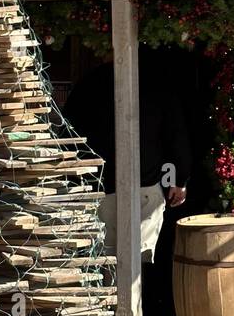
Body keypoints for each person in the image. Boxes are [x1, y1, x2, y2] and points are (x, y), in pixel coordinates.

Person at [64, 52, 192, 262]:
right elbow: (175, 133)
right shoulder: (156, 83)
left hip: (99, 184)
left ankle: (109, 295)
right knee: (137, 260)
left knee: (104, 259)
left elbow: (68, 131)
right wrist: (179, 179)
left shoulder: (89, 83)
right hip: (144, 182)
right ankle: (134, 295)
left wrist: (73, 180)